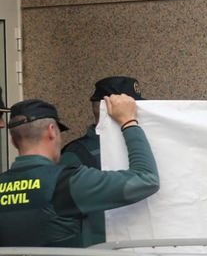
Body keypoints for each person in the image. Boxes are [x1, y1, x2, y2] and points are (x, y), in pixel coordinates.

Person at [0, 95, 159, 247]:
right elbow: (146, 179)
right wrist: (129, 122)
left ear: (13, 141)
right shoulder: (67, 181)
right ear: (52, 131)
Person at [59, 76, 146, 245]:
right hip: (98, 253)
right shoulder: (77, 154)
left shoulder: (143, 144)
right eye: (131, 108)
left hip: (146, 248)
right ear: (109, 110)